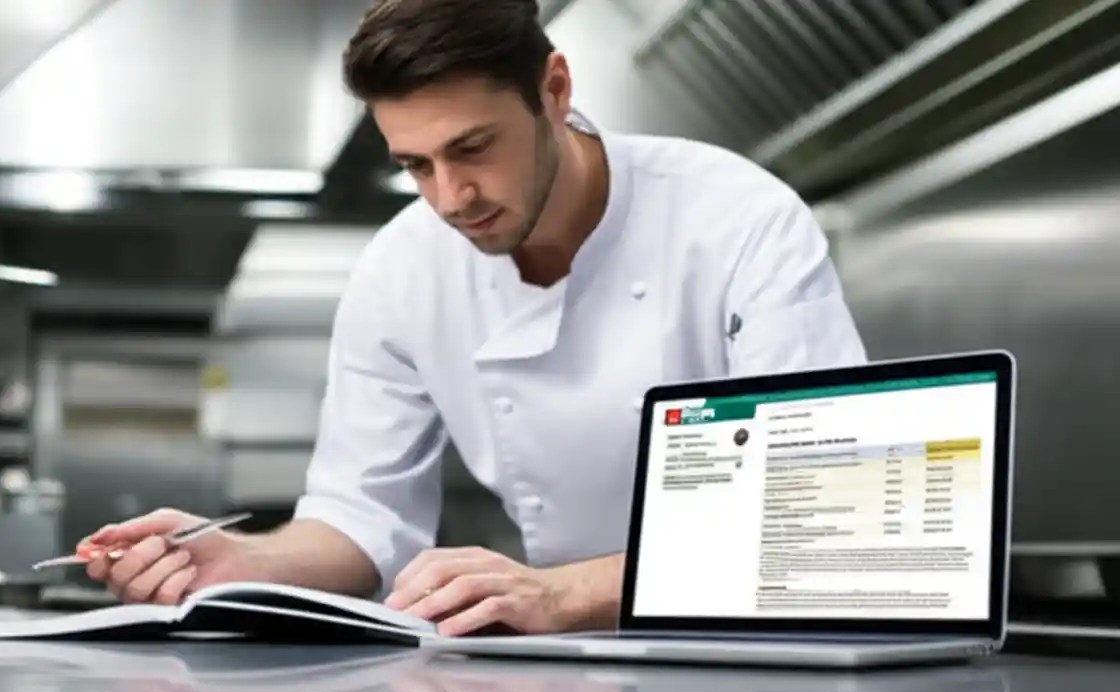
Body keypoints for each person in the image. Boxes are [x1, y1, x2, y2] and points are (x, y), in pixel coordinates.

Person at [81, 0, 866, 637]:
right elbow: (360, 517)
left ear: (554, 90)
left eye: (474, 148)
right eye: (416, 165)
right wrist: (237, 564)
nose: (451, 197)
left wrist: (561, 595)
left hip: (759, 657)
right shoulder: (402, 268)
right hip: (571, 665)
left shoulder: (736, 219)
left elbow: (812, 505)